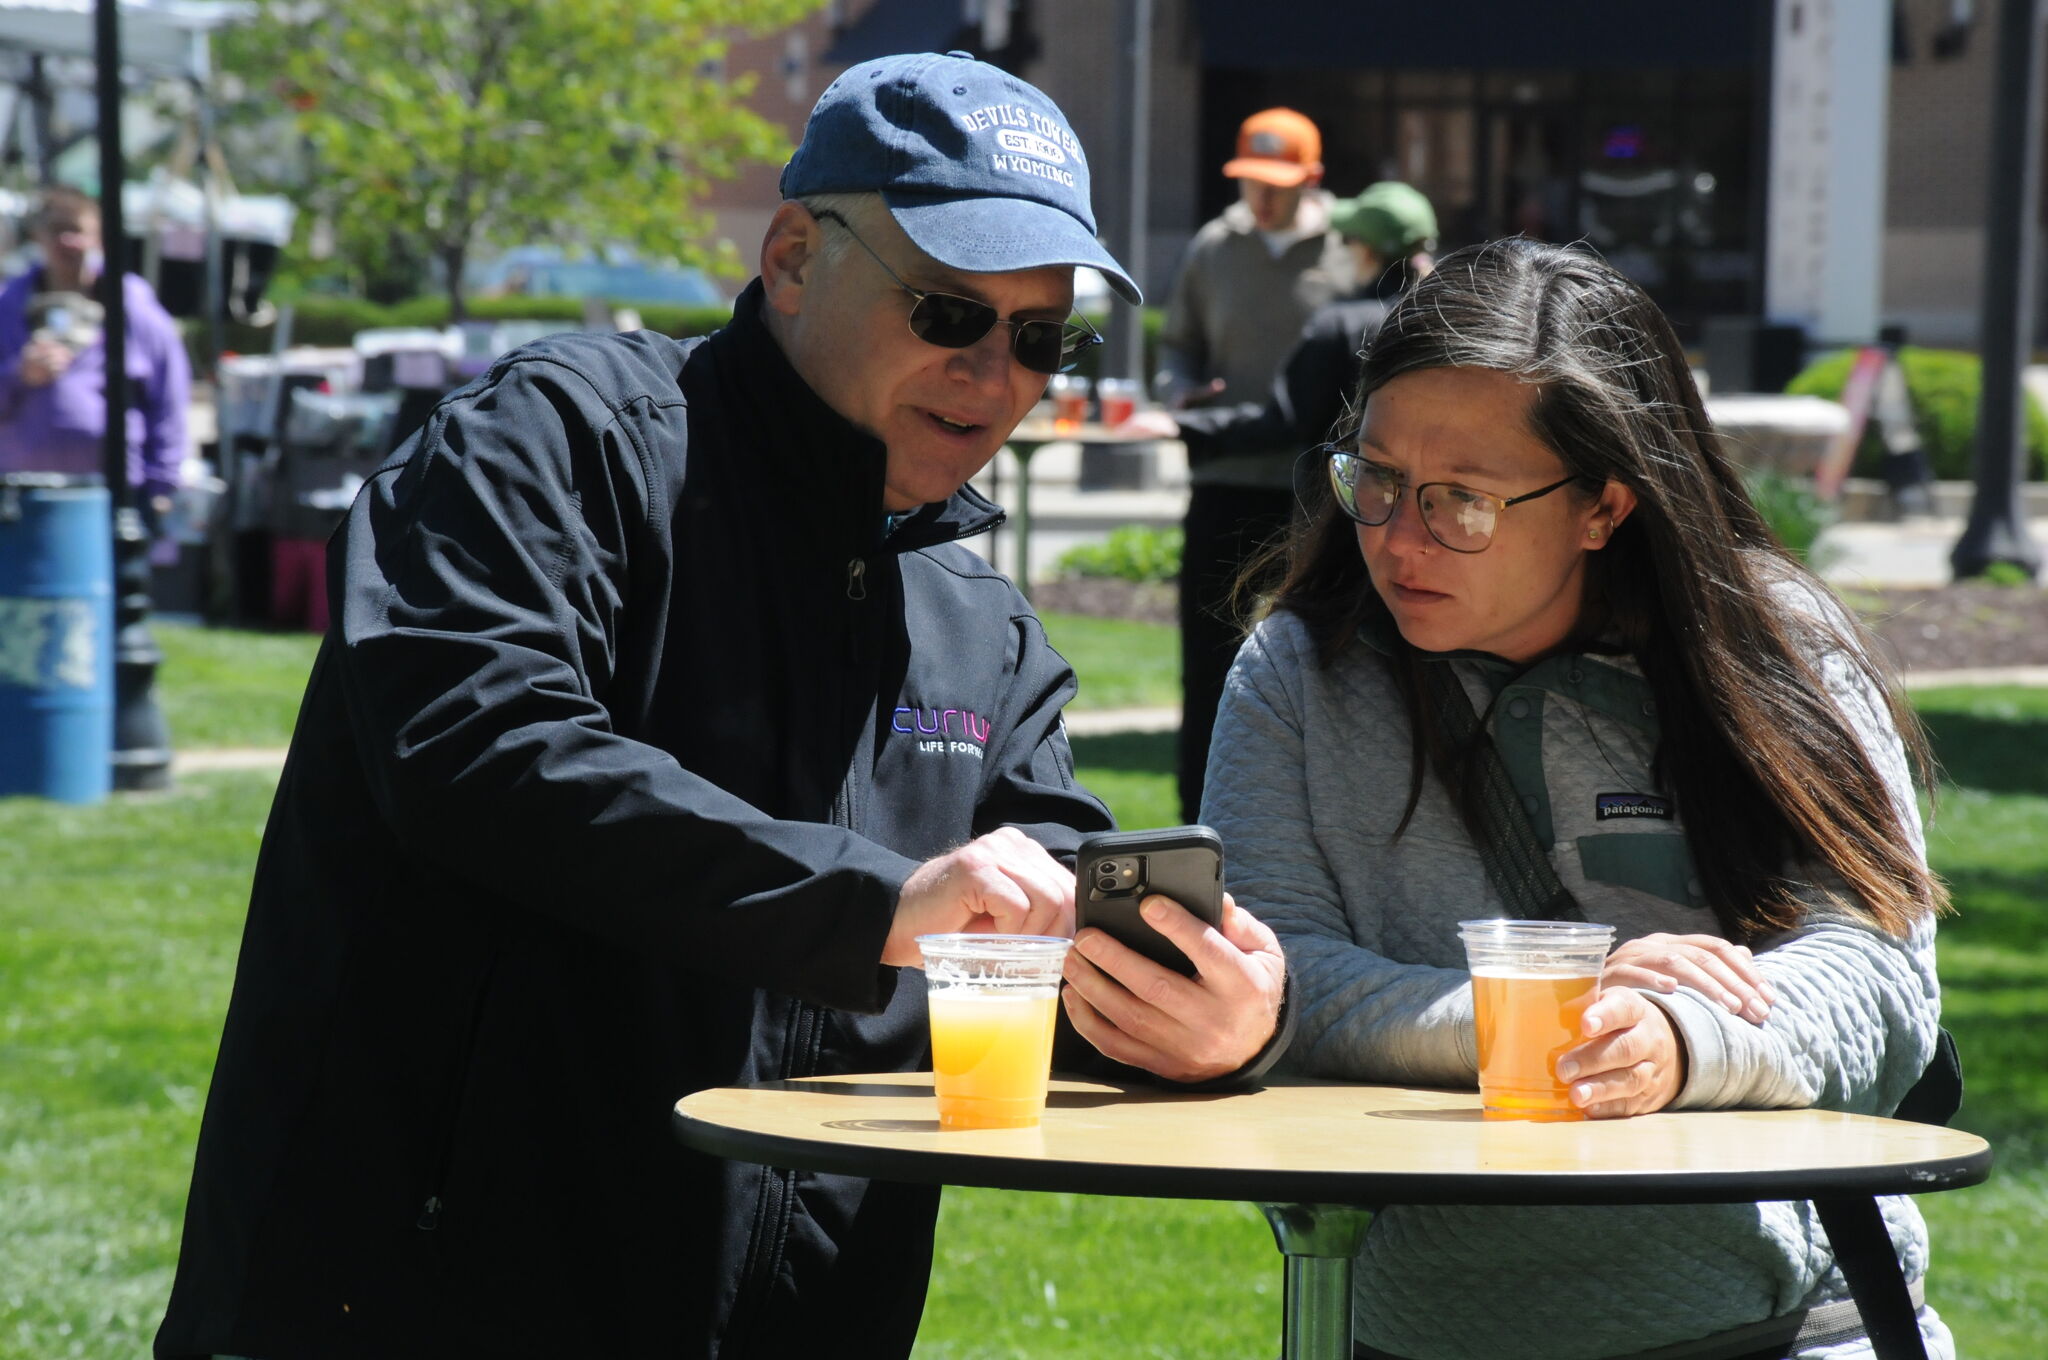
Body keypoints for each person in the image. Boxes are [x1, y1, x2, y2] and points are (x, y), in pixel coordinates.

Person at [154, 51, 1287, 1360]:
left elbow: (1054, 932)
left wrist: (1212, 1017)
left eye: (1040, 338)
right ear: (795, 255)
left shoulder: (982, 629)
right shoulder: (562, 441)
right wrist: (875, 906)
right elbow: (477, 755)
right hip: (405, 1304)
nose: (995, 375)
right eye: (947, 313)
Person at [1203, 238, 1950, 1359]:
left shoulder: (1778, 650)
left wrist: (1672, 1035)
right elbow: (1273, 980)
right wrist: (1545, 1012)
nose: (1398, 539)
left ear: (1605, 505)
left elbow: (1881, 980)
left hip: (1792, 1326)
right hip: (1433, 1330)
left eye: (1461, 501)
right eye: (1377, 479)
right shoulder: (1295, 676)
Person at [1155, 108, 1355, 822]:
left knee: (1312, 666)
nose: (1263, 197)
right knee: (1207, 666)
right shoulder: (1216, 246)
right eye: (1252, 182)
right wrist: (1175, 390)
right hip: (1223, 487)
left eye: (1279, 184)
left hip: (1313, 497)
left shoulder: (1349, 252)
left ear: (1313, 179)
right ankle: (1192, 825)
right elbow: (1178, 343)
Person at [1124, 181, 1437, 481]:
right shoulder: (1440, 321)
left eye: (1347, 240)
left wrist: (1183, 425)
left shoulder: (1341, 326)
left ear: (1367, 252)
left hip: (1348, 498)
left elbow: (1284, 421)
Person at [0, 184, 190, 522]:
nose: (68, 243)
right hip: (21, 500)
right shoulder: (8, 308)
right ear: (37, 237)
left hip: (116, 497)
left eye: (77, 231)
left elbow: (169, 397)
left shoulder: (133, 309)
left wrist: (163, 482)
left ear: (98, 238)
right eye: (58, 230)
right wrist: (19, 374)